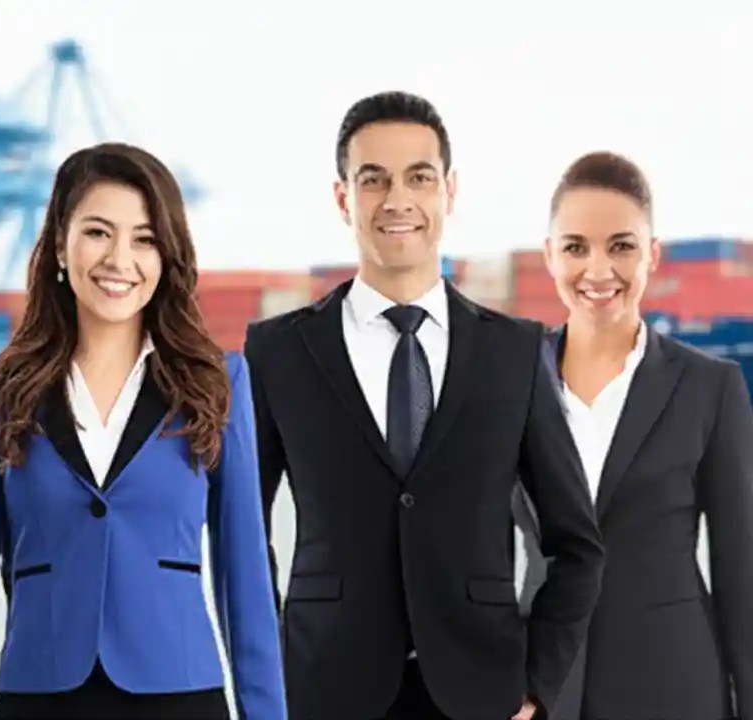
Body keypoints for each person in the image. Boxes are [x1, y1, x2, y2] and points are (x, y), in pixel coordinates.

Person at [244, 91, 606, 720]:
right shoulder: (278, 352)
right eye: (373, 180)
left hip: (484, 695)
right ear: (343, 198)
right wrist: (274, 673)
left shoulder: (515, 352)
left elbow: (574, 544)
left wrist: (535, 689)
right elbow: (243, 538)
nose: (397, 200)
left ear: (449, 191)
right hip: (326, 692)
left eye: (419, 177)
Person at [0, 142, 286, 719]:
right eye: (98, 232)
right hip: (40, 697)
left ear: (167, 256)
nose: (120, 258)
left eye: (144, 239)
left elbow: (246, 586)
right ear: (60, 245)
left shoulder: (219, 383)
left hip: (179, 696)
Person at [514, 151, 753, 719]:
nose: (599, 270)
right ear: (550, 256)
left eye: (621, 245)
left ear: (652, 254)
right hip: (540, 695)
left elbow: (742, 572)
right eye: (576, 247)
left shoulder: (709, 387)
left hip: (674, 688)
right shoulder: (507, 386)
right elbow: (478, 559)